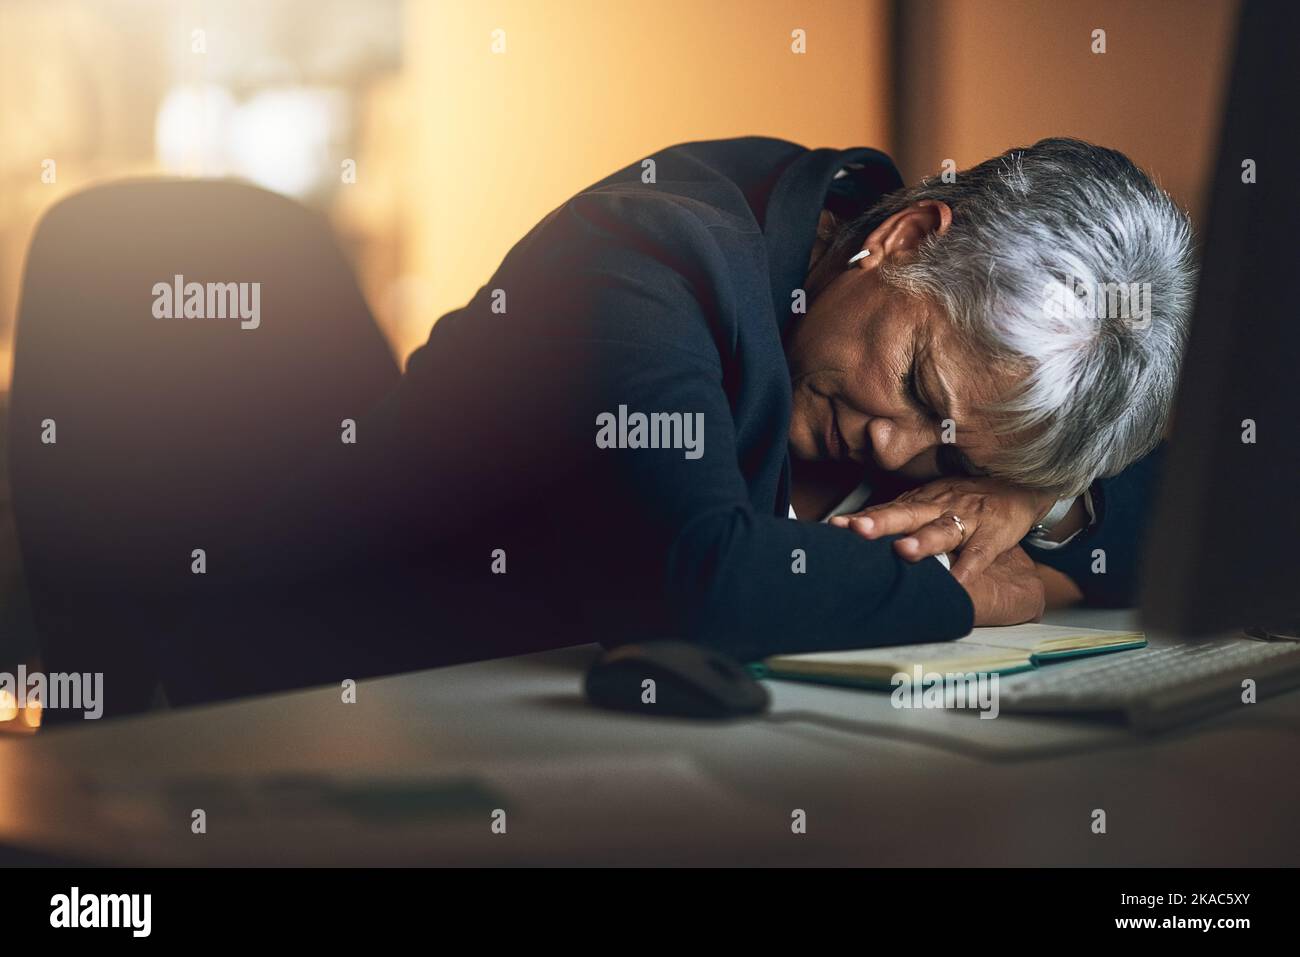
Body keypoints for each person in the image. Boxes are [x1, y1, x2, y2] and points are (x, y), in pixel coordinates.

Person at [17, 135, 1195, 714]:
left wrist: (1033, 497)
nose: (898, 455)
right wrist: (998, 586)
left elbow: (1187, 514)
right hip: (307, 717)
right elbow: (698, 577)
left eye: (950, 456)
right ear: (906, 239)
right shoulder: (640, 255)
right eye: (921, 394)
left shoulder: (896, 340)